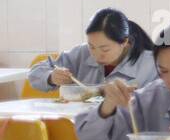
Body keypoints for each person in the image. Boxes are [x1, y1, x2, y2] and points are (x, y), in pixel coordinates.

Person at [28, 8, 159, 94]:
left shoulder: (151, 64)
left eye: (105, 48)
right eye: (92, 46)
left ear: (124, 42)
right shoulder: (81, 53)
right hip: (83, 126)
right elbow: (35, 72)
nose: (96, 54)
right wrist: (51, 76)